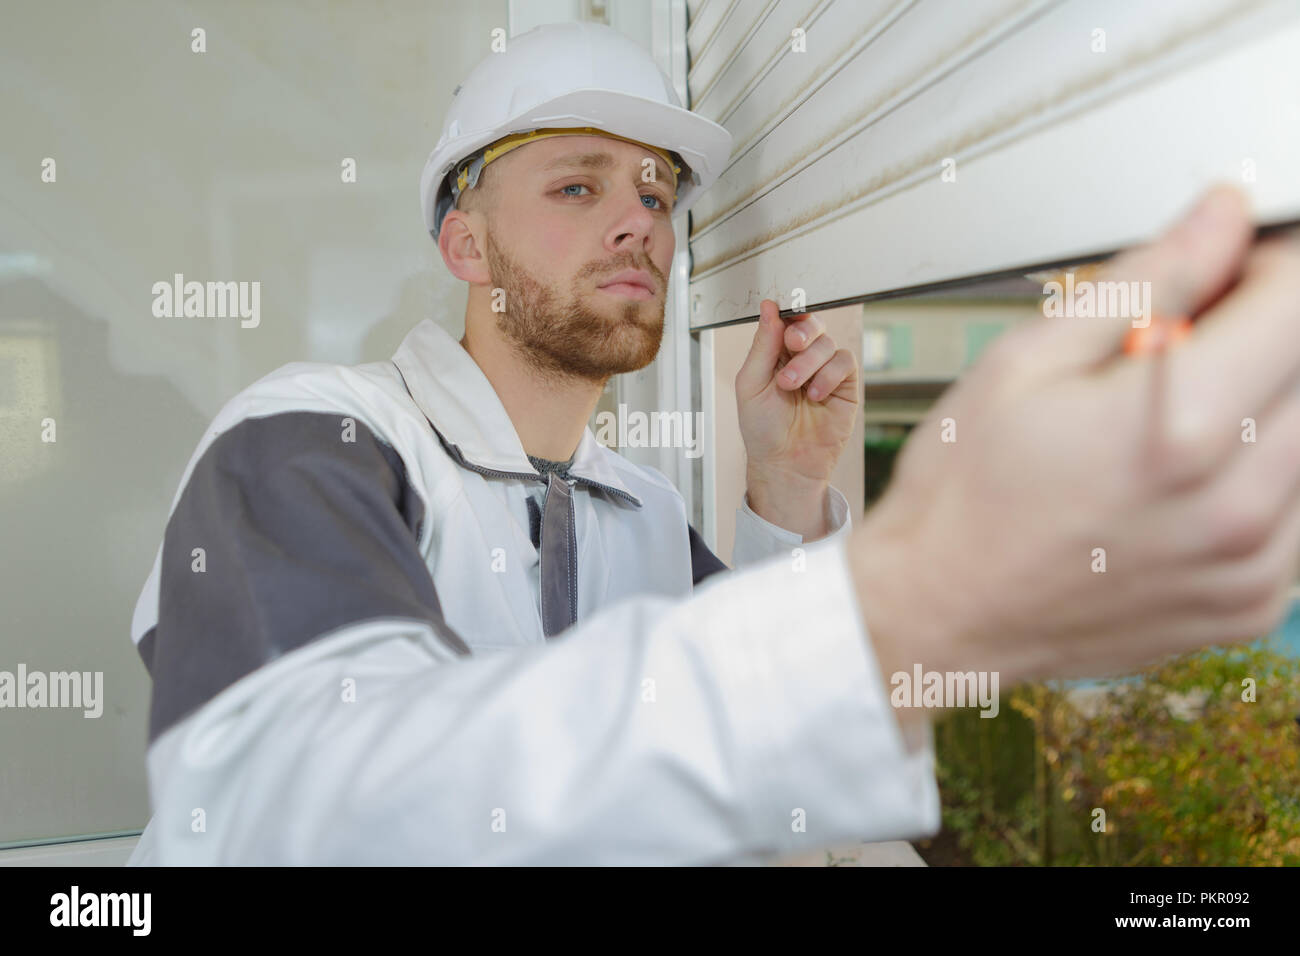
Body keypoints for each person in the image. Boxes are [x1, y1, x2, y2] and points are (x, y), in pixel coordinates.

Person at [126, 22, 1300, 865]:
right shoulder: (309, 436)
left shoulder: (636, 505)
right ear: (465, 248)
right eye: (578, 187)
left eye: (657, 191)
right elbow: (277, 808)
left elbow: (765, 758)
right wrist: (910, 597)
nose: (642, 217)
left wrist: (786, 496)